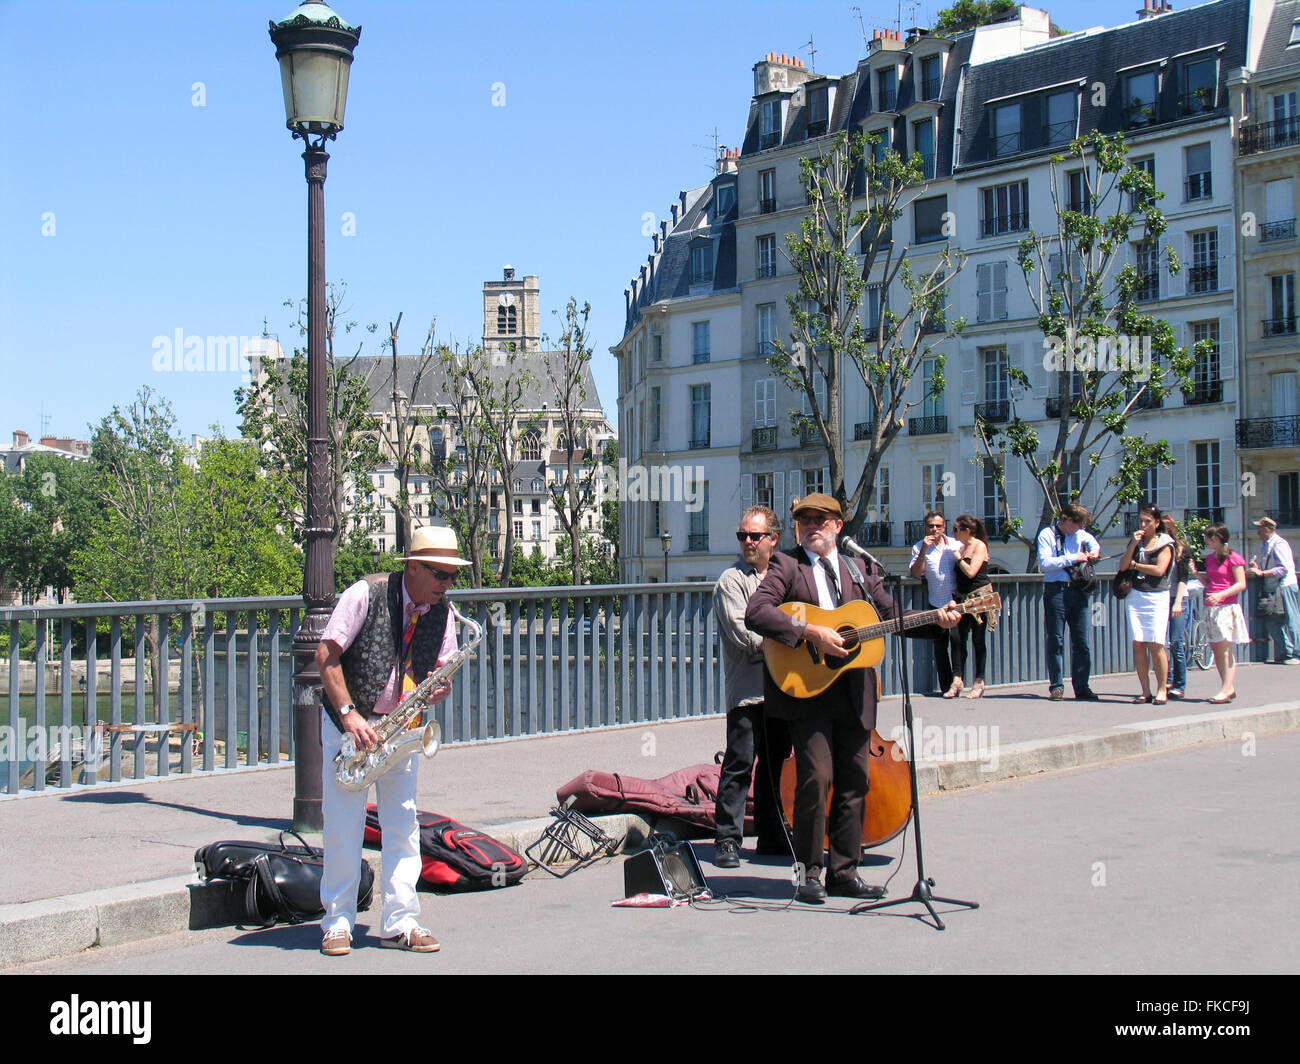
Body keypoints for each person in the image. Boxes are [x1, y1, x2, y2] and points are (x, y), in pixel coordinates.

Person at [745, 493, 959, 904]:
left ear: (838, 527)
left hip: (855, 690)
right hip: (807, 691)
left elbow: (892, 614)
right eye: (804, 520)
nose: (811, 526)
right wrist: (813, 632)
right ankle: (809, 871)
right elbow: (758, 611)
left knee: (854, 780)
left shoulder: (859, 569)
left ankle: (844, 870)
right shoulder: (787, 564)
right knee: (816, 778)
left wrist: (938, 620)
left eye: (820, 520)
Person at [314, 524, 469, 956]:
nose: (446, 584)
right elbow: (325, 658)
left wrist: (440, 688)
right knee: (343, 825)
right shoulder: (364, 594)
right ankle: (338, 922)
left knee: (402, 824)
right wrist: (348, 715)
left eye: (452, 576)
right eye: (440, 574)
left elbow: (440, 668)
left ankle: (401, 920)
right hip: (353, 726)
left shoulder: (443, 611)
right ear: (414, 567)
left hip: (400, 727)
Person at [711, 505, 793, 869]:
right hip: (747, 691)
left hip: (781, 688)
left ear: (773, 539)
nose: (746, 541)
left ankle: (772, 835)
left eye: (754, 536)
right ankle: (727, 839)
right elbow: (745, 636)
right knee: (739, 763)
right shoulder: (731, 581)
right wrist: (794, 638)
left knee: (775, 764)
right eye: (742, 535)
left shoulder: (784, 576)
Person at [1035, 503, 1102, 701]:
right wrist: (1073, 558)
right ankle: (1056, 686)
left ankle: (1082, 686)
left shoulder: (1081, 535)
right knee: (1056, 639)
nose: (1080, 529)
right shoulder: (1047, 534)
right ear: (1066, 520)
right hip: (1056, 590)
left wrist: (1093, 552)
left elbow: (1094, 544)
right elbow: (1045, 564)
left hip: (1078, 590)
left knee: (1082, 641)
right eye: (1077, 524)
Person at [1118, 505, 1174, 704]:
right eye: (1141, 520)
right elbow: (1122, 566)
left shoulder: (1165, 543)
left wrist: (1136, 565)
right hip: (1136, 595)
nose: (1143, 525)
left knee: (1156, 643)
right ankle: (1145, 690)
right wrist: (1133, 544)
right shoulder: (1137, 542)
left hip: (1157, 596)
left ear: (1157, 523)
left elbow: (1159, 570)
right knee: (1139, 643)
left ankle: (1162, 689)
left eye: (1148, 521)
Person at [909, 511, 965, 697]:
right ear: (926, 527)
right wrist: (924, 550)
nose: (934, 530)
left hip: (955, 599)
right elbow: (916, 573)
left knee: (957, 641)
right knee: (940, 646)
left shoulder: (955, 544)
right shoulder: (919, 547)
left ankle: (957, 680)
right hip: (936, 601)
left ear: (944, 527)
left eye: (938, 526)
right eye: (931, 526)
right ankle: (945, 685)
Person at [1201, 523, 1249, 704]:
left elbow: (1240, 583)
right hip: (1212, 606)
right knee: (1216, 648)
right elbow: (1211, 583)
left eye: (1210, 539)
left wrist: (1221, 595)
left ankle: (1225, 688)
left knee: (1226, 649)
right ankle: (1227, 686)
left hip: (1226, 607)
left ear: (1219, 540)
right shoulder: (1211, 559)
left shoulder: (1233, 558)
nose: (1207, 541)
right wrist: (1197, 576)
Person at [1248, 517, 1300, 665]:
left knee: (1291, 620)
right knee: (1272, 621)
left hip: (1285, 586)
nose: (1257, 531)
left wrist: (1262, 573)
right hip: (1274, 587)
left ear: (1267, 529)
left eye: (1259, 528)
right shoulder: (1267, 544)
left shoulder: (1279, 544)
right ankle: (1288, 652)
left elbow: (1283, 568)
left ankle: (1296, 654)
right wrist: (1259, 568)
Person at [952, 514, 992, 699]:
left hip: (978, 598)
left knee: (978, 639)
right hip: (961, 598)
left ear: (967, 531)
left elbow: (971, 572)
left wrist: (959, 559)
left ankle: (979, 680)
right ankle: (957, 679)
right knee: (958, 638)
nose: (954, 533)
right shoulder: (961, 547)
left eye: (956, 529)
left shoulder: (979, 546)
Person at [1161, 514, 1196, 699]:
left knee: (1175, 641)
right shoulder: (1155, 548)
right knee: (1159, 642)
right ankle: (1167, 678)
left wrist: (1178, 602)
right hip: (1160, 598)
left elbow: (1183, 579)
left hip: (1178, 597)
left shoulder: (1181, 549)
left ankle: (1179, 684)